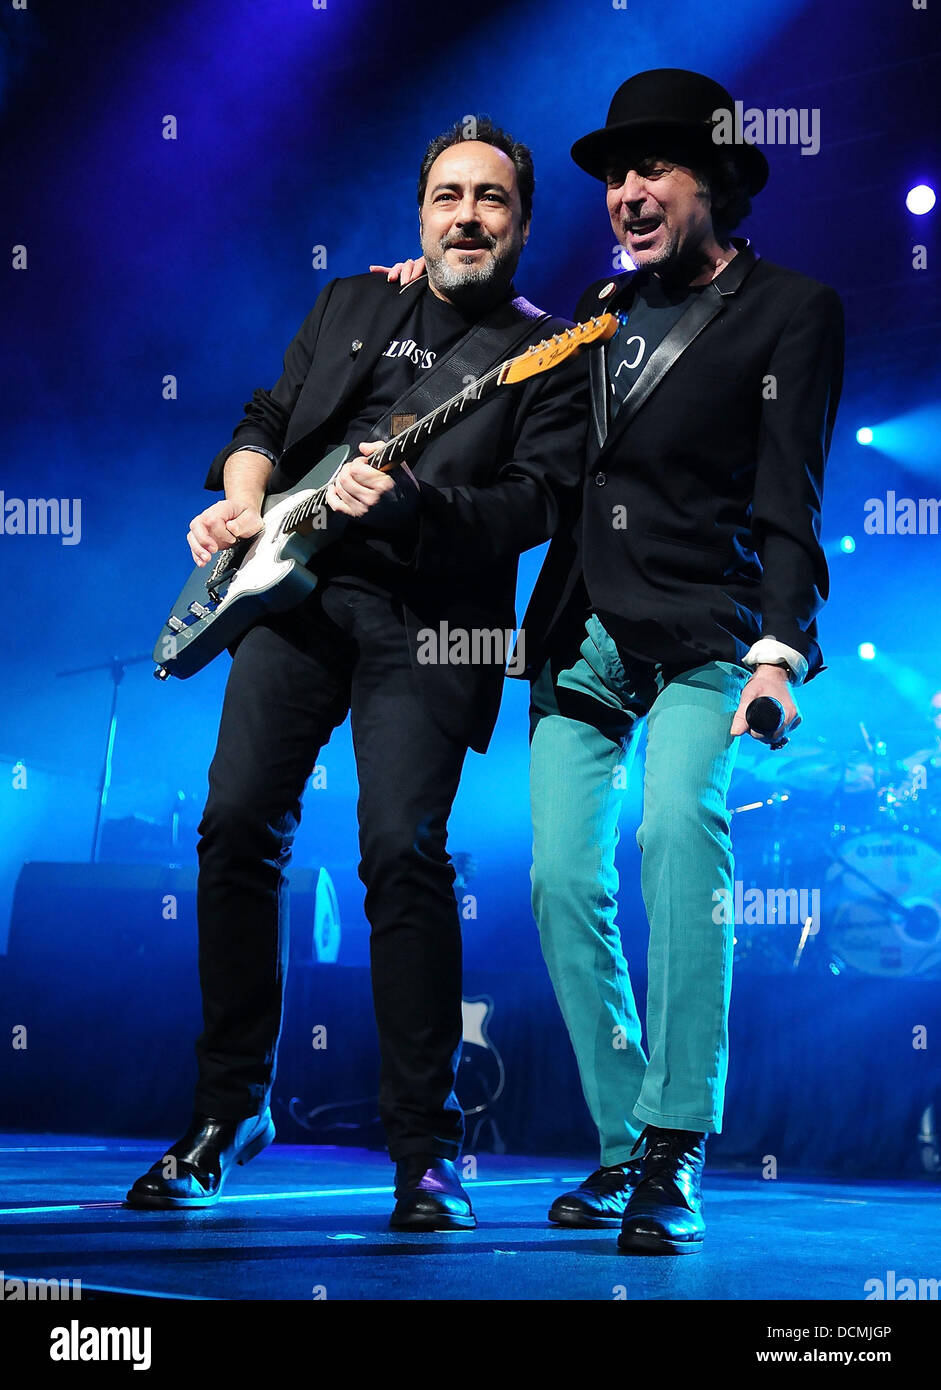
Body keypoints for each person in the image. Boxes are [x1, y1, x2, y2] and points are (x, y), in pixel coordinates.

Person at [380, 66, 844, 1253]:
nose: (626, 193)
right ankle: (625, 1137)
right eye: (614, 177)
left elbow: (791, 499)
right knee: (554, 881)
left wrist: (779, 652)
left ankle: (676, 1142)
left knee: (676, 834)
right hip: (580, 627)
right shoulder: (594, 307)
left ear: (714, 183)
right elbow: (500, 359)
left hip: (708, 626)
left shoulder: (790, 309)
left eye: (652, 170)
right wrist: (418, 299)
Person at [126, 119, 587, 1231]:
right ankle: (229, 1109)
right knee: (234, 825)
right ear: (418, 213)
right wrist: (244, 498)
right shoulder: (351, 303)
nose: (466, 215)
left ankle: (424, 1149)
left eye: (490, 200)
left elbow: (533, 505)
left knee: (400, 853)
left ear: (521, 225)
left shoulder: (552, 352)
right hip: (289, 592)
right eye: (446, 196)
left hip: (428, 621)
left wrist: (414, 503)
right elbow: (266, 420)